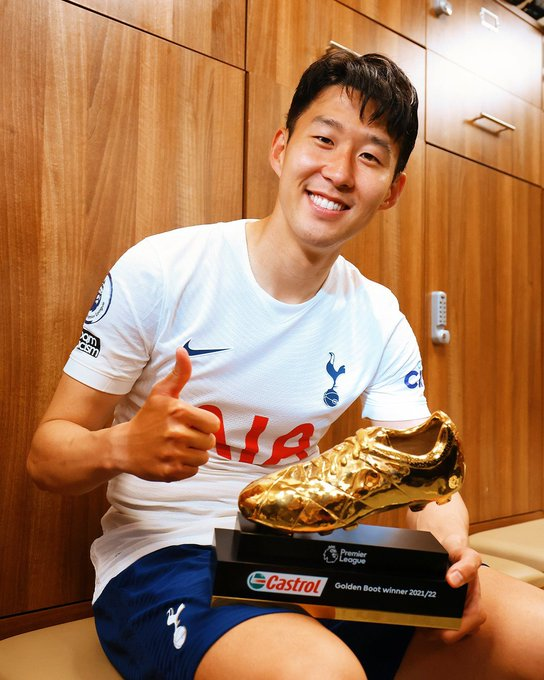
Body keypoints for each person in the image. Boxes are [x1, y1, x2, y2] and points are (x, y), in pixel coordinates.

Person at [28, 50, 544, 680]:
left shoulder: (379, 315)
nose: (339, 172)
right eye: (324, 139)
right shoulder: (162, 269)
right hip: (169, 557)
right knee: (322, 673)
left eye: (370, 156)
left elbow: (424, 482)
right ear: (281, 148)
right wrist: (121, 446)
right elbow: (46, 458)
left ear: (392, 191)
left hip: (314, 555)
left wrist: (454, 551)